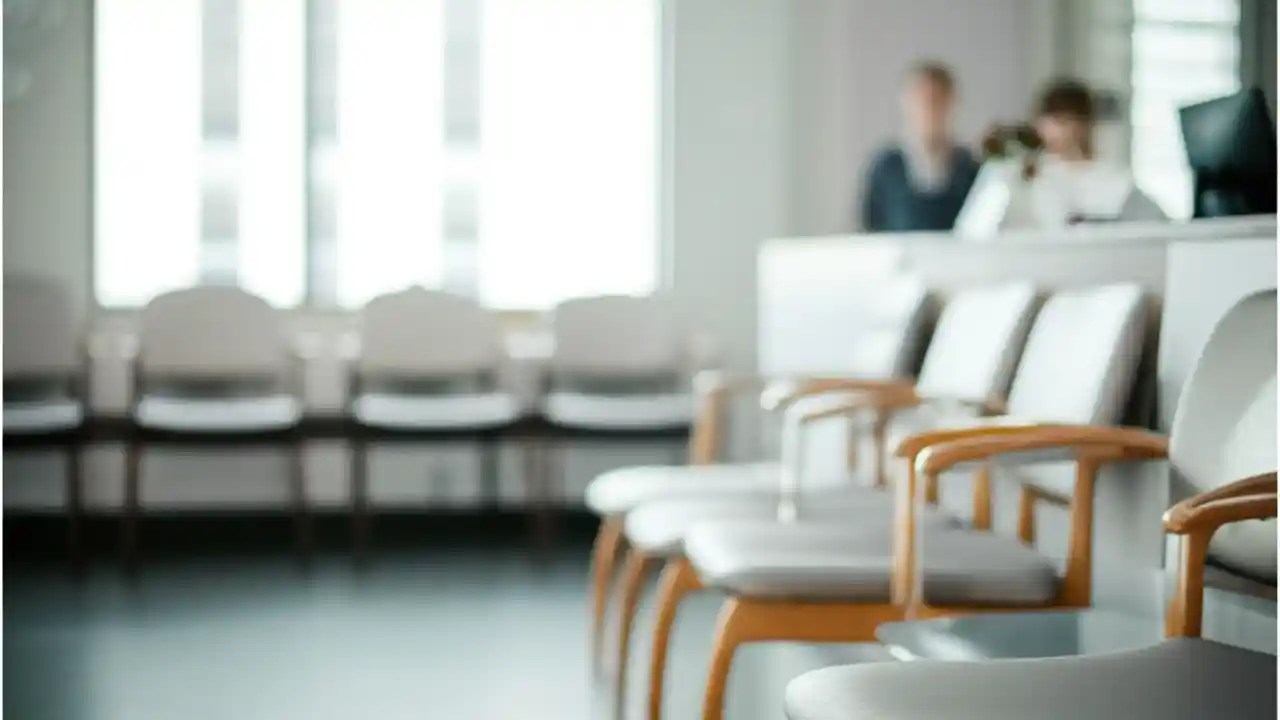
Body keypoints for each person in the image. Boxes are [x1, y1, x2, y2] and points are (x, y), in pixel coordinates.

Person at [954, 78, 1164, 235]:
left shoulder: (1114, 178)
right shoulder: (1024, 175)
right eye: (1048, 121)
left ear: (1083, 124)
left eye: (1063, 121)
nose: (1055, 131)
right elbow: (977, 229)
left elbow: (1156, 226)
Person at [859, 61, 979, 232]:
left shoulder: (969, 168)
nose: (927, 109)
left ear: (951, 103)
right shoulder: (885, 167)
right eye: (921, 100)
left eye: (936, 100)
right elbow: (870, 227)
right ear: (906, 102)